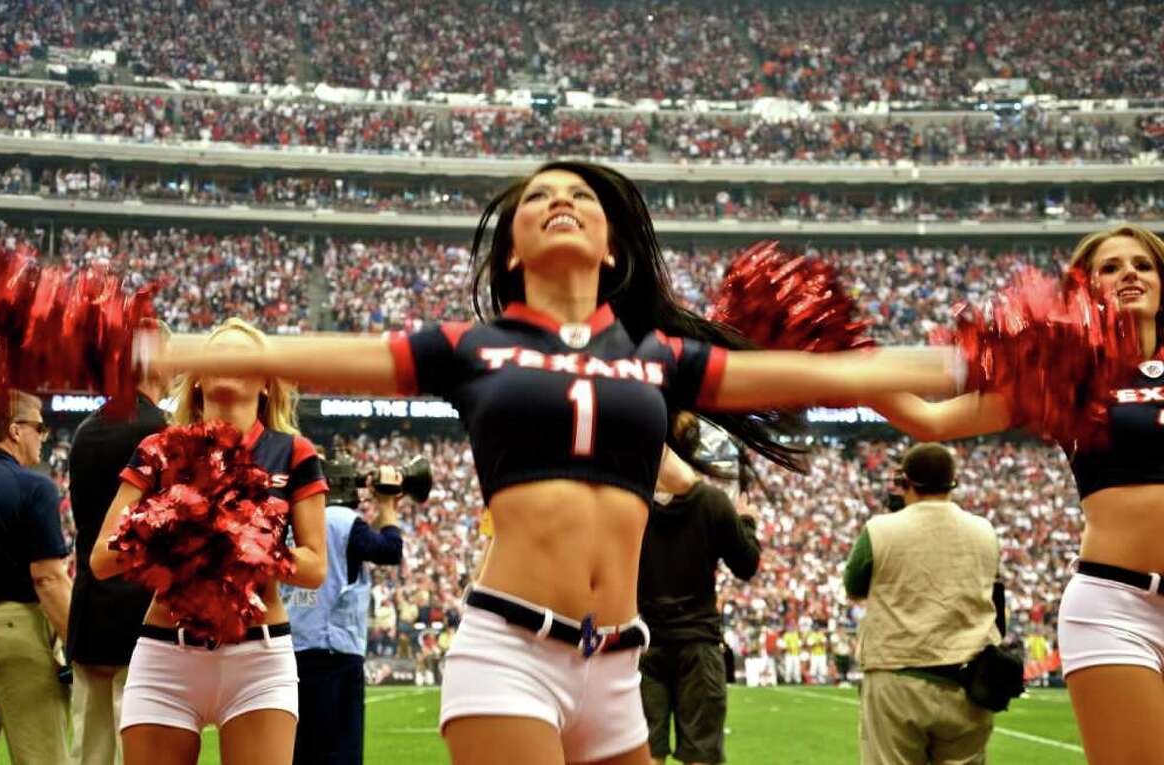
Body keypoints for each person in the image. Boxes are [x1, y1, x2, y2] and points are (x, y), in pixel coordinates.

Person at [154, 160, 961, 764]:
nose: (561, 201)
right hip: (509, 651)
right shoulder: (472, 348)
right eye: (538, 196)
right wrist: (133, 349)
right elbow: (305, 355)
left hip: (617, 664)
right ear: (513, 250)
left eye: (580, 195)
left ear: (612, 248)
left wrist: (1008, 369)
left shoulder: (661, 357)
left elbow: (833, 377)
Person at [868, 224, 1164, 765]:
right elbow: (931, 420)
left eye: (1143, 265)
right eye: (1112, 267)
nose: (1129, 275)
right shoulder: (1068, 377)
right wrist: (853, 368)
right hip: (1118, 605)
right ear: (1086, 290)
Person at [90, 318, 328, 765]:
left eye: (241, 357)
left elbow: (315, 567)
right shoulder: (158, 449)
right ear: (196, 379)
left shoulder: (294, 452)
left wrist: (247, 544)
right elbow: (102, 559)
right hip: (166, 657)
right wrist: (170, 529)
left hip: (259, 658)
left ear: (265, 383)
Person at [844, 443, 1001, 764]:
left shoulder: (880, 529)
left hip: (897, 674)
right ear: (952, 482)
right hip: (968, 679)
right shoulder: (985, 530)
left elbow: (854, 586)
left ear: (906, 483)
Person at [66, 321, 171, 765]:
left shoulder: (86, 429)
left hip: (92, 605)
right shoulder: (159, 431)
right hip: (143, 611)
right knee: (142, 746)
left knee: (90, 749)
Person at [638, 420, 760, 765]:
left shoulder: (633, 501)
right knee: (702, 755)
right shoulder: (712, 502)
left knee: (644, 753)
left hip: (643, 643)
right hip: (698, 642)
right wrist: (747, 522)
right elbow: (747, 564)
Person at [0, 388, 71, 765]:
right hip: (14, 628)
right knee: (42, 755)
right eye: (39, 427)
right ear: (14, 429)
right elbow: (49, 579)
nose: (43, 437)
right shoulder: (34, 486)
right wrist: (78, 642)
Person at [284, 454, 404, 765]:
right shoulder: (341, 519)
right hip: (334, 649)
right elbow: (389, 550)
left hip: (292, 648)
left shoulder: (291, 519)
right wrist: (388, 507)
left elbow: (355, 545)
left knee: (299, 752)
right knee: (339, 751)